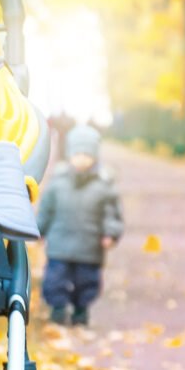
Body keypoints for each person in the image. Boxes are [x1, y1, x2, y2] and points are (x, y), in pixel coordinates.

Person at [35, 125, 123, 327]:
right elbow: (46, 210)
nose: (81, 159)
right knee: (54, 280)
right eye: (77, 154)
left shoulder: (104, 185)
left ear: (95, 156)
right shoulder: (58, 183)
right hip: (59, 245)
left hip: (89, 246)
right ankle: (57, 308)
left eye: (86, 154)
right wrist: (39, 230)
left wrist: (110, 233)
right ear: (69, 155)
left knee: (87, 282)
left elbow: (112, 214)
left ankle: (81, 310)